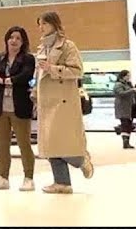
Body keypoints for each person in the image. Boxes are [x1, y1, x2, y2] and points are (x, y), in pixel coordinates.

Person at [32, 11, 93, 194]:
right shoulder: (41, 48)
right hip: (46, 101)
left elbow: (77, 71)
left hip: (63, 101)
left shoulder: (68, 46)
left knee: (62, 141)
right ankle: (62, 182)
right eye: (39, 24)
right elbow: (38, 75)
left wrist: (53, 69)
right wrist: (35, 93)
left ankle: (81, 159)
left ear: (54, 24)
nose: (41, 28)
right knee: (50, 144)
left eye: (44, 23)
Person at [0, 26, 37, 191]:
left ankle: (28, 177)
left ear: (23, 42)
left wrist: (5, 81)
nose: (14, 41)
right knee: (2, 144)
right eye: (11, 37)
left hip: (19, 106)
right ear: (6, 40)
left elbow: (26, 76)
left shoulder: (28, 58)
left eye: (18, 38)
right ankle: (3, 178)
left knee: (24, 143)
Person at [113, 70, 136, 150]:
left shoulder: (128, 84)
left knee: (128, 124)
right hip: (122, 107)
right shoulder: (118, 85)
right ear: (123, 76)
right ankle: (125, 142)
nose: (129, 77)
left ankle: (127, 142)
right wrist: (132, 90)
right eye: (128, 76)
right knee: (125, 124)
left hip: (129, 107)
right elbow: (121, 93)